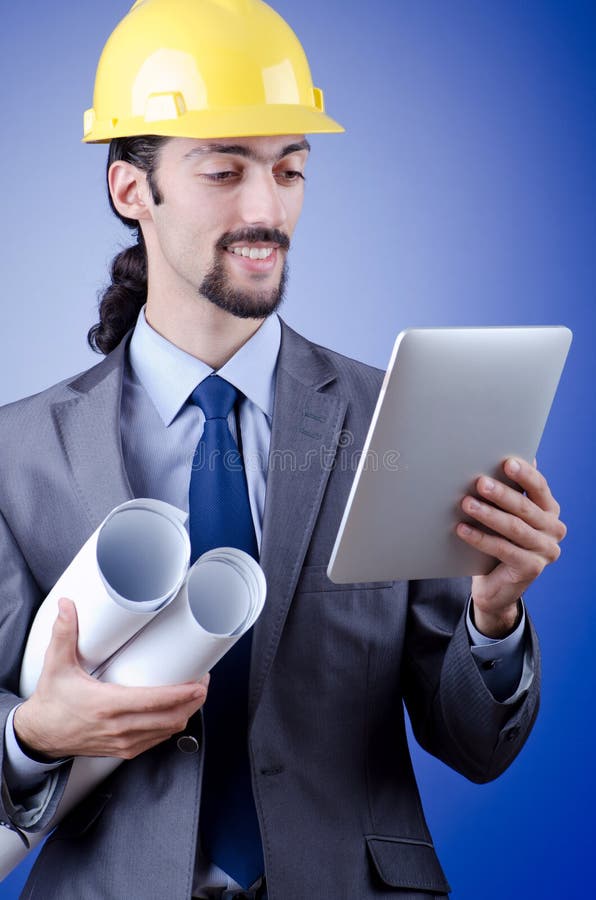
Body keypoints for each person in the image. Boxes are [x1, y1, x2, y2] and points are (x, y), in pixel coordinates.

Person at [0, 1, 566, 898]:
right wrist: (34, 735)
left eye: (290, 170)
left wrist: (492, 618)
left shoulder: (397, 418)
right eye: (224, 171)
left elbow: (474, 746)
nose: (267, 209)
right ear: (129, 190)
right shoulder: (16, 456)